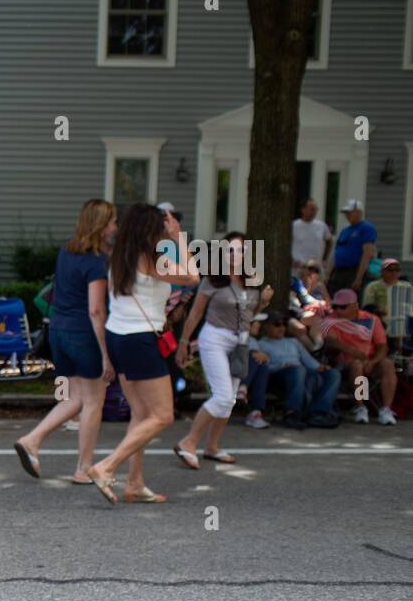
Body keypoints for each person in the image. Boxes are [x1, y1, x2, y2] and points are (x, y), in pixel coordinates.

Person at [86, 204, 201, 504]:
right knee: (163, 415)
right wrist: (179, 238)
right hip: (139, 339)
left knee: (140, 414)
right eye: (160, 227)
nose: (164, 230)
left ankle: (134, 484)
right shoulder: (149, 259)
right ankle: (106, 466)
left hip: (119, 338)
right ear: (149, 230)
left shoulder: (118, 259)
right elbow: (192, 276)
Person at [14, 198, 115, 483]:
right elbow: (96, 310)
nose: (114, 227)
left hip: (58, 330)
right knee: (94, 401)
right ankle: (83, 469)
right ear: (101, 225)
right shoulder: (96, 263)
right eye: (112, 221)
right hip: (84, 334)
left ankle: (32, 440)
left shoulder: (65, 251)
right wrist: (106, 353)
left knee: (75, 398)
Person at [173, 232, 267, 469]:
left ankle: (212, 446)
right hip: (214, 338)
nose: (235, 254)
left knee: (230, 399)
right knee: (223, 396)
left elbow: (249, 316)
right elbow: (195, 313)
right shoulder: (213, 279)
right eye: (230, 250)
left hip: (240, 342)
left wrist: (263, 303)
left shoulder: (252, 278)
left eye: (241, 250)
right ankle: (188, 442)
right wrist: (183, 343)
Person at [245, 314, 341, 429]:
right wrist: (282, 365)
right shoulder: (261, 344)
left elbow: (308, 360)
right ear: (266, 327)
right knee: (298, 370)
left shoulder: (293, 342)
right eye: (277, 325)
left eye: (283, 325)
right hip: (278, 375)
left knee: (333, 374)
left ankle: (318, 412)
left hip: (299, 372)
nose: (281, 328)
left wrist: (320, 367)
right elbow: (262, 368)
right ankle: (292, 413)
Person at [322, 288, 397, 425]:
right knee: (357, 364)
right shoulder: (331, 320)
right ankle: (361, 407)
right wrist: (351, 350)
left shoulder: (372, 319)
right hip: (345, 364)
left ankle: (386, 409)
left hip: (370, 361)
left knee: (388, 364)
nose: (338, 310)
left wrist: (373, 362)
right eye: (335, 306)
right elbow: (330, 341)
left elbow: (382, 347)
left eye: (343, 307)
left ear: (355, 305)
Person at [327, 200, 377, 296]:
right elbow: (336, 252)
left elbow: (367, 254)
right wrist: (328, 273)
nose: (347, 215)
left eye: (350, 213)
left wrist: (359, 278)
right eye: (346, 213)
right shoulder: (345, 230)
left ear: (359, 212)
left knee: (350, 300)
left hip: (353, 271)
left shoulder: (366, 228)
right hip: (338, 272)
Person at [361, 258, 411, 329]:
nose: (394, 273)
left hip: (402, 318)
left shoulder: (406, 286)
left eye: (397, 270)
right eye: (390, 270)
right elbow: (367, 307)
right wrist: (379, 310)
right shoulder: (373, 286)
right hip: (381, 319)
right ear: (382, 272)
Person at [291, 198, 333, 278]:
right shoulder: (294, 226)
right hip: (298, 269)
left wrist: (324, 259)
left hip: (315, 269)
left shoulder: (321, 226)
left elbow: (329, 241)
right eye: (312, 209)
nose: (314, 212)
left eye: (316, 209)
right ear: (303, 210)